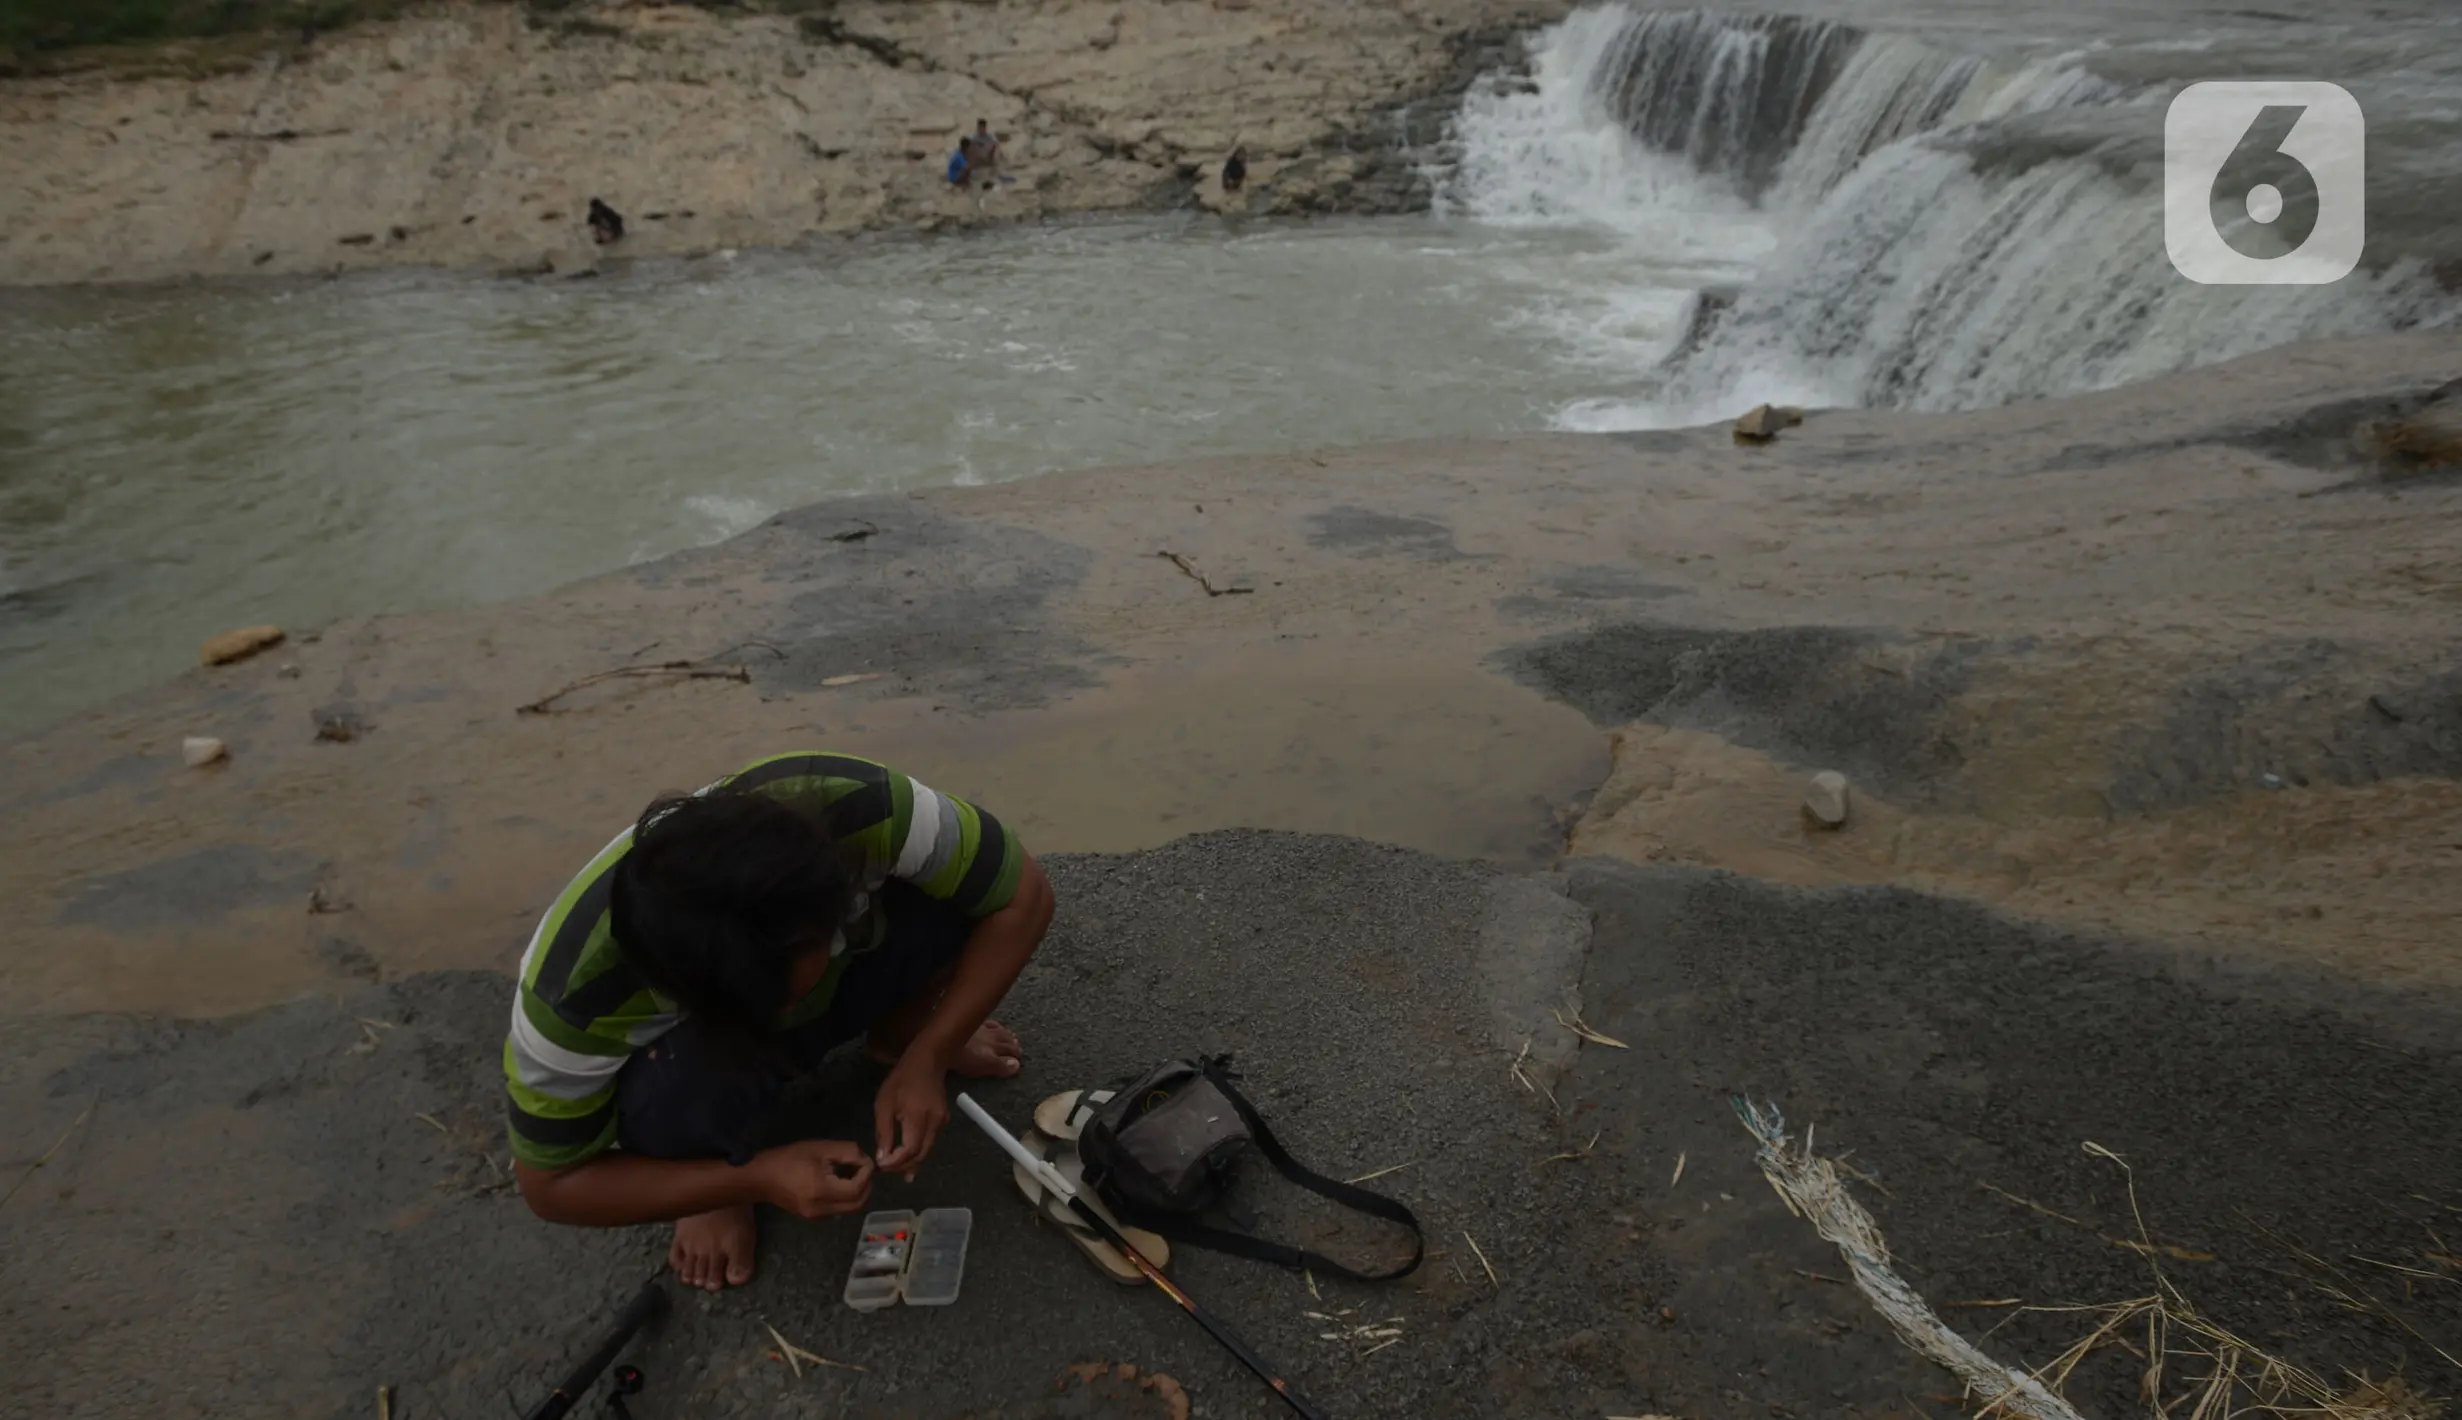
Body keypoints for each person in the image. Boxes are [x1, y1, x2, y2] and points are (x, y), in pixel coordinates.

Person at [504, 752, 1054, 1292]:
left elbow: (1024, 896)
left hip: (841, 943)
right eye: (759, 1008)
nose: (786, 1019)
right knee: (664, 1089)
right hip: (692, 1049)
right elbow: (551, 1186)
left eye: (790, 990)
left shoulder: (866, 810)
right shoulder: (571, 998)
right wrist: (756, 1177)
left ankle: (901, 1035)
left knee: (962, 892)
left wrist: (930, 1053)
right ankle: (711, 1176)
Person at [972, 118, 1001, 189]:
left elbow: (996, 144)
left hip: (988, 157)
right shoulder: (975, 137)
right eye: (979, 128)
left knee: (995, 148)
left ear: (985, 128)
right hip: (979, 158)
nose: (980, 130)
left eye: (982, 128)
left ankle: (994, 170)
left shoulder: (990, 136)